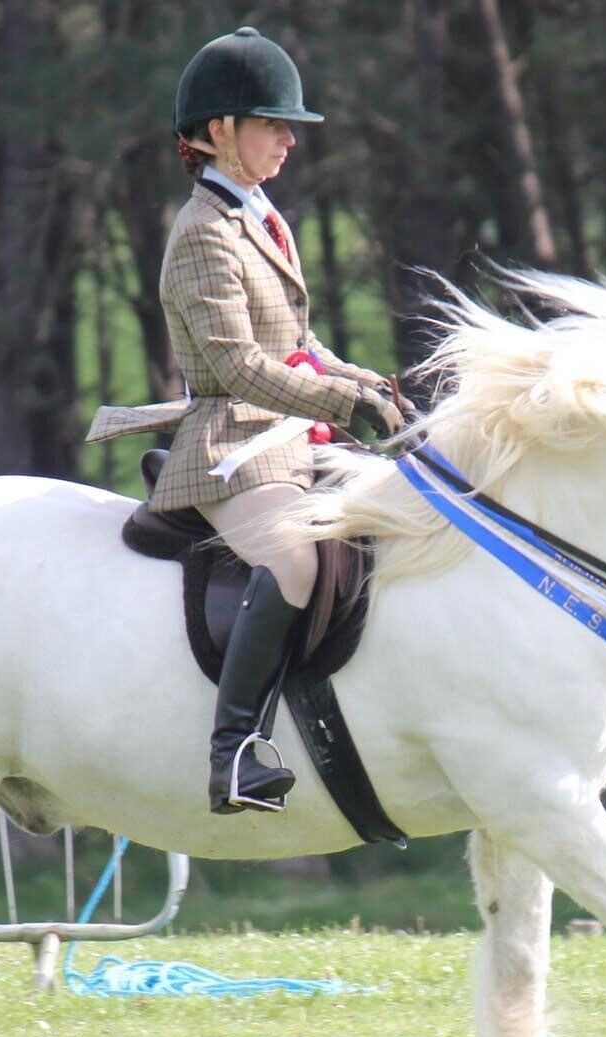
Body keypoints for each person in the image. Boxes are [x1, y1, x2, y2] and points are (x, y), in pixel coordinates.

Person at [89, 26, 403, 815]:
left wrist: (372, 384)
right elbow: (233, 367)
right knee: (296, 560)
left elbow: (296, 345)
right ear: (219, 131)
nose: (288, 139)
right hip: (232, 445)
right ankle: (233, 753)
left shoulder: (260, 216)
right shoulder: (201, 232)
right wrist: (341, 402)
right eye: (272, 123)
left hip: (285, 434)